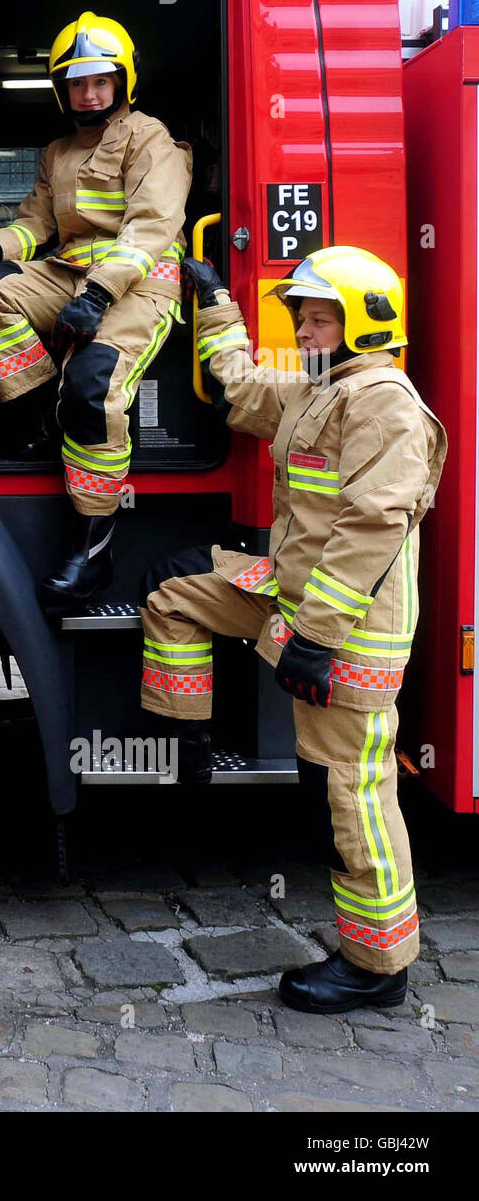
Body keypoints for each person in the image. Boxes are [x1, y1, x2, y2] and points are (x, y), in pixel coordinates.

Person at [140, 246, 446, 1013]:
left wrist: (315, 639)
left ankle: (378, 969)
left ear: (367, 324)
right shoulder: (323, 389)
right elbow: (242, 391)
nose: (307, 330)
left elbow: (372, 525)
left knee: (350, 795)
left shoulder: (383, 401)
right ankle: (191, 749)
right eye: (302, 316)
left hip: (345, 631)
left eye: (320, 317)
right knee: (177, 595)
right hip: (291, 598)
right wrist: (213, 302)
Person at [0, 12, 192, 611]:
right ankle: (41, 418)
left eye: (100, 81)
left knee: (93, 389)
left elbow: (151, 229)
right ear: (62, 89)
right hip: (69, 274)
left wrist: (98, 295)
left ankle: (92, 550)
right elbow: (37, 225)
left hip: (138, 284)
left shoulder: (151, 138)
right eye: (76, 83)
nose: (89, 93)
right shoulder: (56, 152)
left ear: (122, 83)